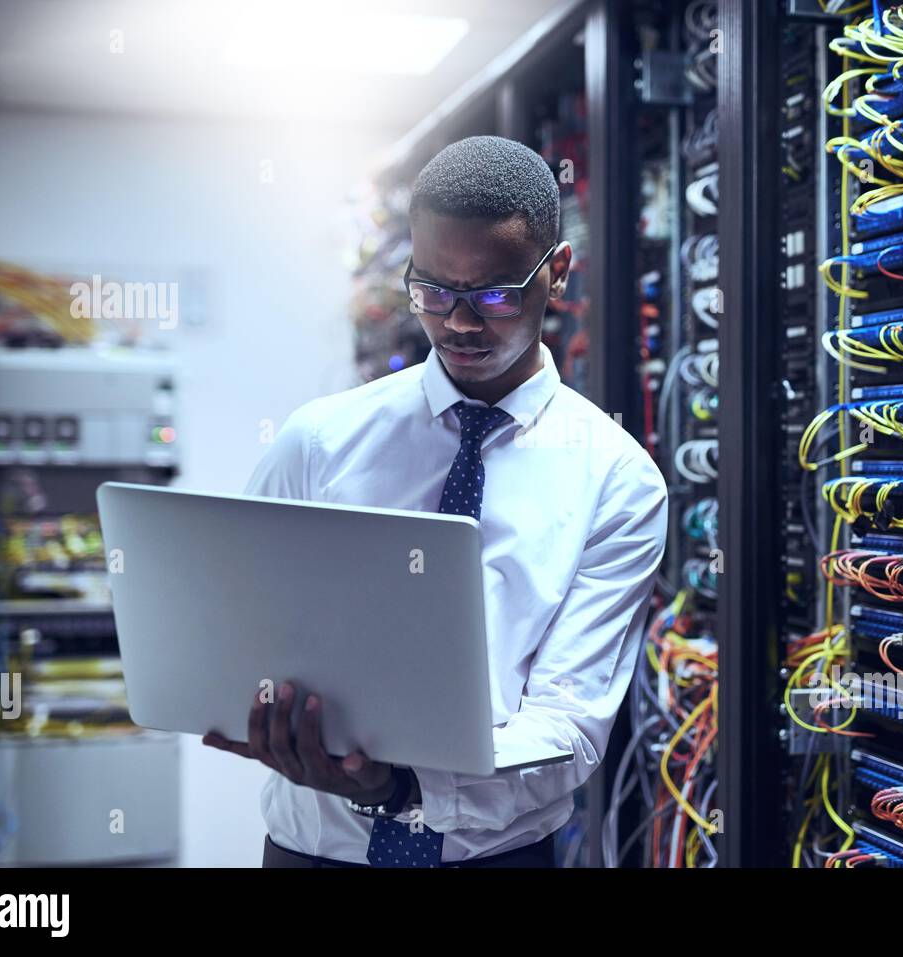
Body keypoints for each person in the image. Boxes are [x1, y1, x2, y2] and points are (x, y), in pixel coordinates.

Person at [204, 135, 668, 868]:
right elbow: (237, 624)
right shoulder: (320, 440)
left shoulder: (616, 480)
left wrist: (404, 785)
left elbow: (570, 726)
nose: (458, 321)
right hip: (310, 854)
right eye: (433, 291)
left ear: (559, 272)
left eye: (493, 293)